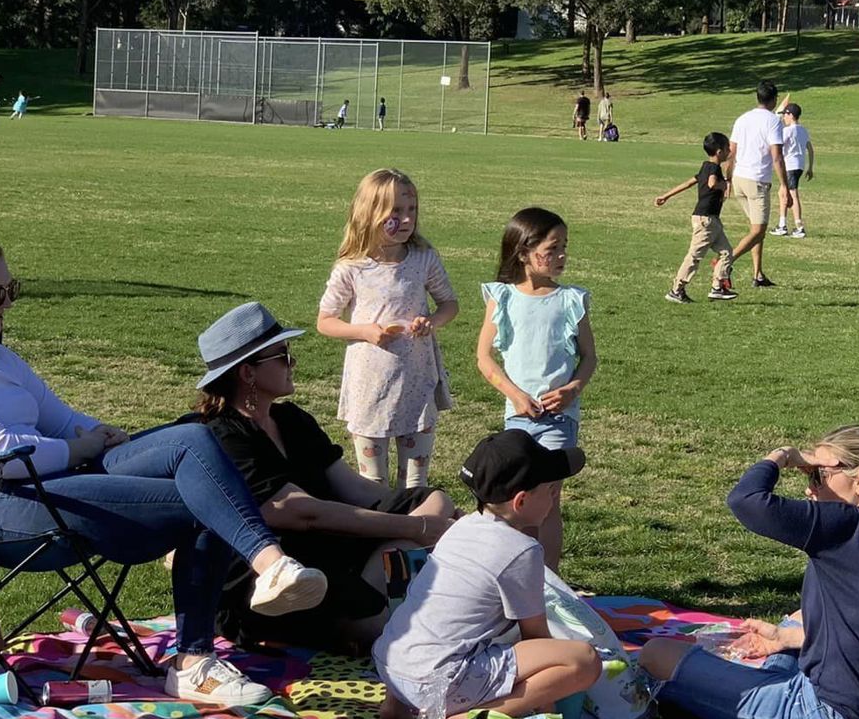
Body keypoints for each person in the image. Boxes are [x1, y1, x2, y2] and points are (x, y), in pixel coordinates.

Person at [0, 229, 328, 708]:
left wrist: (100, 433)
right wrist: (80, 449)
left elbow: (59, 418)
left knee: (191, 438)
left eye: (11, 290)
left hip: (51, 481)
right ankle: (194, 659)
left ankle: (269, 565)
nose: (7, 303)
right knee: (206, 503)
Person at [639, 426, 859, 719]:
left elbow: (746, 501)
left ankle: (687, 699)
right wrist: (784, 639)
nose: (809, 489)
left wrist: (782, 456)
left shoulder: (846, 526)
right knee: (795, 620)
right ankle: (748, 684)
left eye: (818, 474)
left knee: (655, 654)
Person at [187, 302, 459, 654]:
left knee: (433, 502)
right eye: (282, 355)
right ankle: (370, 616)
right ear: (247, 373)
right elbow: (301, 514)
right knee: (406, 563)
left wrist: (421, 518)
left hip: (327, 548)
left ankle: (371, 608)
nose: (293, 363)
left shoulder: (292, 420)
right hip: (274, 573)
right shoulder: (224, 437)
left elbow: (358, 490)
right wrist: (415, 528)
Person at [373, 430, 599, 719]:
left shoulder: (462, 526)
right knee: (584, 660)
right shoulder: (522, 551)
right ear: (520, 501)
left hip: (392, 664)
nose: (554, 499)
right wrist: (548, 712)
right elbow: (535, 636)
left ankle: (398, 711)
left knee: (434, 626)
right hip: (439, 681)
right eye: (551, 492)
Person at [316, 169, 458, 490]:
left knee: (415, 483)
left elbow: (449, 304)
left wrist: (431, 322)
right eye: (396, 211)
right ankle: (382, 539)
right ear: (370, 213)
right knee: (374, 483)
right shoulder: (352, 267)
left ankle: (416, 538)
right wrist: (365, 331)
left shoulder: (424, 259)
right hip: (370, 388)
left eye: (412, 210)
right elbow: (325, 321)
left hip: (417, 383)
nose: (406, 219)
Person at [477, 207, 596, 570]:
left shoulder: (571, 300)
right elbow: (484, 358)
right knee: (521, 501)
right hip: (518, 419)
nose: (561, 256)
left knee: (548, 500)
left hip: (559, 421)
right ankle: (523, 576)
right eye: (553, 247)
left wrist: (572, 389)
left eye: (565, 247)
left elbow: (589, 358)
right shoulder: (503, 298)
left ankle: (551, 580)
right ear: (524, 251)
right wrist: (514, 395)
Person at [655, 132, 737, 304]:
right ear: (719, 151)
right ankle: (676, 290)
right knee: (694, 256)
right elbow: (712, 183)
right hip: (706, 220)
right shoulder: (713, 168)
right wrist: (726, 185)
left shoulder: (705, 167)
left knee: (726, 252)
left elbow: (688, 183)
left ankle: (718, 287)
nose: (730, 150)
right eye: (728, 147)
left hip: (711, 220)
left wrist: (666, 196)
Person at [725, 81, 788, 288]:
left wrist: (727, 178)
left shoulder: (742, 118)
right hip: (757, 180)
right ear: (774, 99)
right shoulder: (773, 121)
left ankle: (758, 274)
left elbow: (731, 152)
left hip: (739, 179)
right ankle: (725, 263)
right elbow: (777, 156)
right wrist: (784, 186)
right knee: (759, 231)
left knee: (755, 229)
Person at [773, 103, 814, 238]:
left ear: (790, 115)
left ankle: (799, 227)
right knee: (782, 193)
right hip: (799, 166)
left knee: (792, 195)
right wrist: (810, 168)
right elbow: (810, 149)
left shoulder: (787, 131)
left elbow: (778, 145)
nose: (784, 117)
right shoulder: (803, 130)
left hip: (790, 166)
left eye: (785, 114)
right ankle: (782, 224)